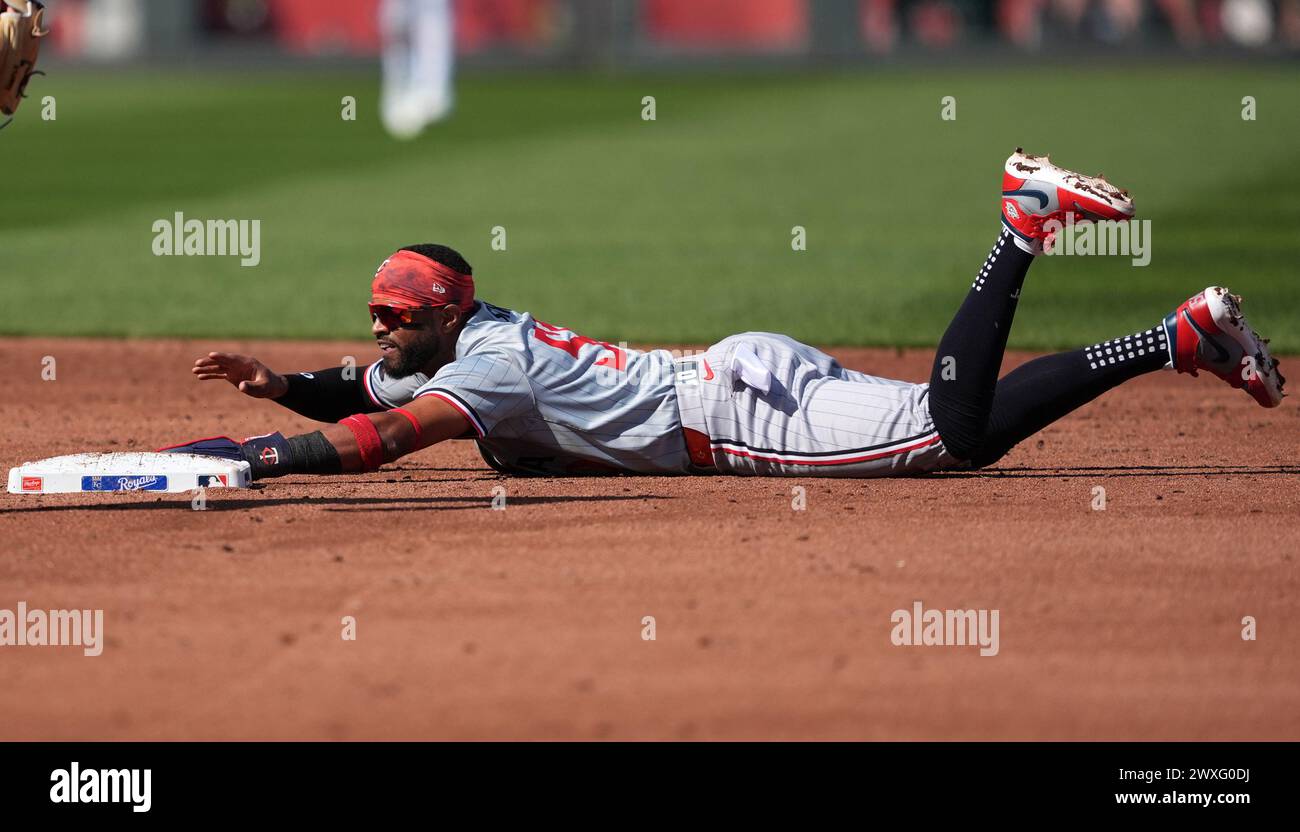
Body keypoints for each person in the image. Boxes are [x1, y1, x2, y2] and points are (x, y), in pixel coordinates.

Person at [164, 150, 1285, 480]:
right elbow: (365, 388)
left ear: (443, 316)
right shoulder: (460, 341)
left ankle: (1022, 224)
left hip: (744, 420)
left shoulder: (486, 368)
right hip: (735, 378)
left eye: (392, 313)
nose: (377, 330)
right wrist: (277, 385)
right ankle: (1178, 335)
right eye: (374, 313)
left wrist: (255, 455)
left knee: (952, 433)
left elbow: (377, 440)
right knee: (963, 420)